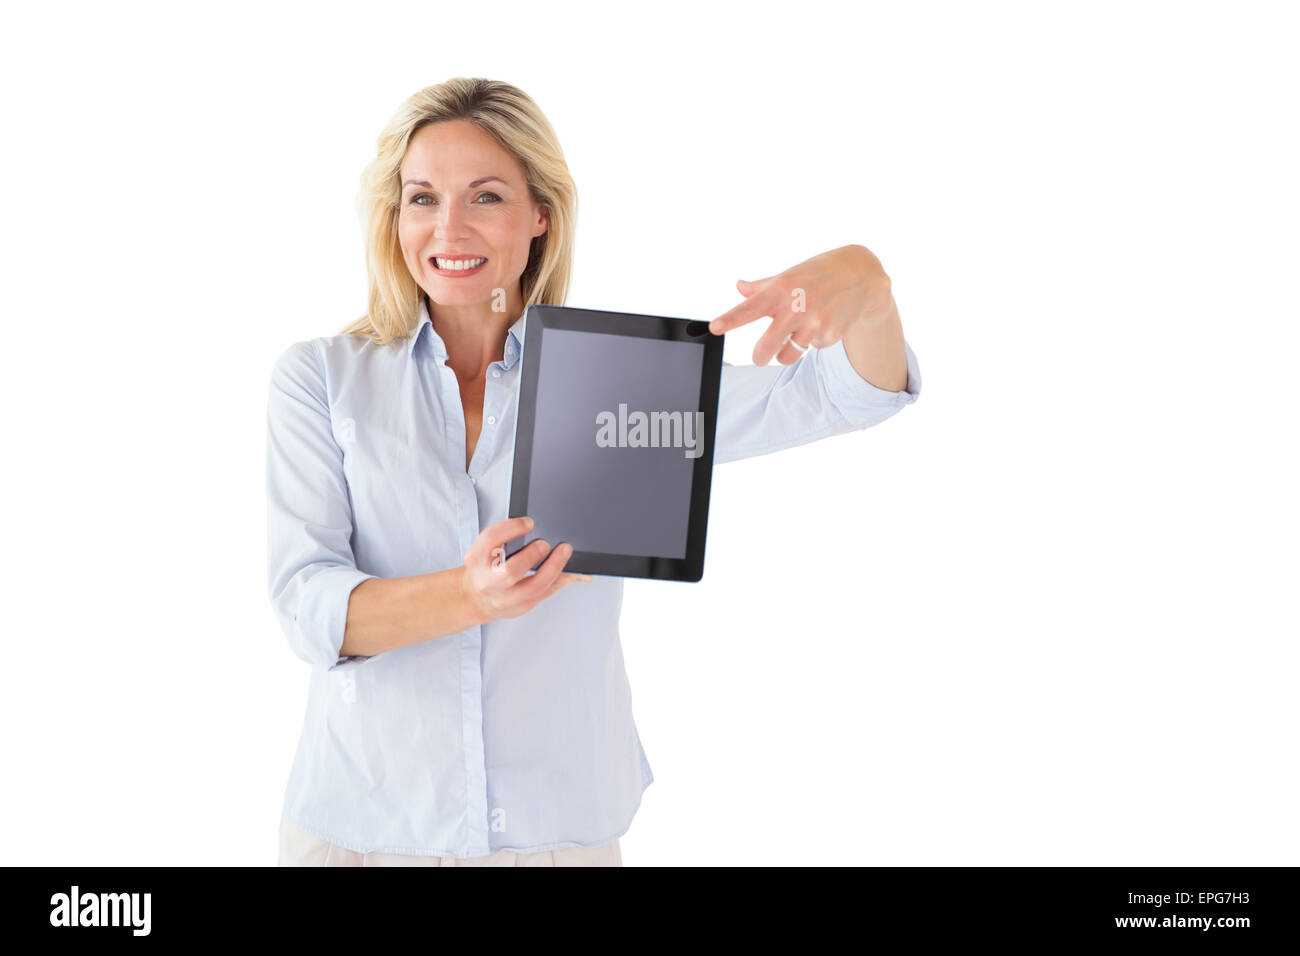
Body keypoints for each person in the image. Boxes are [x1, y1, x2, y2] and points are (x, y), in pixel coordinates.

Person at [267, 77, 922, 866]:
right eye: (421, 198)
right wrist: (468, 597)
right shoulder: (322, 379)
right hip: (363, 829)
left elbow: (845, 395)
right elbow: (309, 607)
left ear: (539, 214)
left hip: (556, 833)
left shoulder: (614, 380)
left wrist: (869, 287)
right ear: (393, 214)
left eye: (484, 197)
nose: (448, 227)